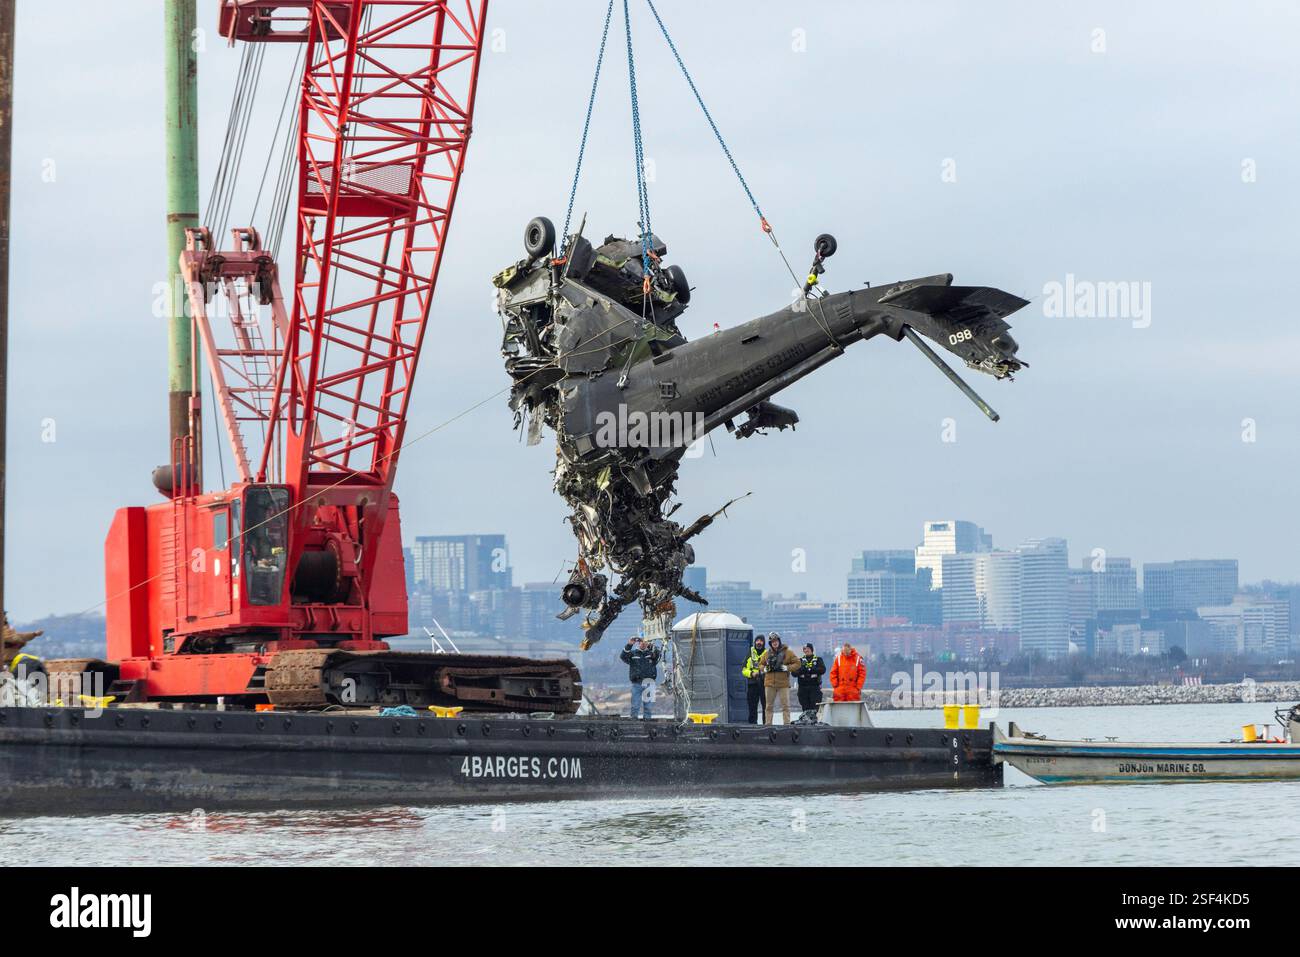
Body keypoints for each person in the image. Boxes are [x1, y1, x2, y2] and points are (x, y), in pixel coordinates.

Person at [760, 632, 801, 724]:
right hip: (769, 683)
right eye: (772, 641)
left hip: (783, 684)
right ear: (770, 643)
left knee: (785, 706)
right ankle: (768, 724)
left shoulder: (788, 652)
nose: (775, 643)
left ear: (779, 641)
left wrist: (788, 668)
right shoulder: (766, 654)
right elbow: (760, 665)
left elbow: (798, 663)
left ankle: (786, 724)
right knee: (768, 706)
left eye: (776, 640)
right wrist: (764, 669)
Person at [620, 636, 660, 719]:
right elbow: (623, 656)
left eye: (645, 641)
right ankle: (634, 721)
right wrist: (629, 644)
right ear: (638, 643)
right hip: (636, 683)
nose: (643, 643)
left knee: (648, 707)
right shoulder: (633, 654)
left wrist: (650, 646)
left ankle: (647, 722)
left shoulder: (651, 654)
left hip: (649, 683)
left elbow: (658, 655)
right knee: (635, 705)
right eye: (641, 641)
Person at [741, 633, 767, 724]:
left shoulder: (767, 654)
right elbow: (743, 670)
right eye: (757, 640)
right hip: (752, 683)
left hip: (764, 684)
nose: (759, 642)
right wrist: (752, 673)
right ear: (755, 642)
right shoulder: (750, 653)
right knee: (752, 707)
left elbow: (771, 669)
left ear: (764, 643)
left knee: (766, 707)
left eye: (761, 641)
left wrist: (762, 672)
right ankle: (752, 725)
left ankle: (766, 725)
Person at [796, 643, 826, 716]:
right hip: (803, 688)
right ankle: (806, 723)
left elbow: (822, 670)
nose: (806, 650)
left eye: (808, 649)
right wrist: (803, 670)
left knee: (815, 708)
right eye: (805, 649)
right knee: (805, 708)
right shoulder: (799, 661)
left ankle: (814, 722)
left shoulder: (818, 660)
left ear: (811, 649)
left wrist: (810, 670)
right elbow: (794, 673)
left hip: (815, 687)